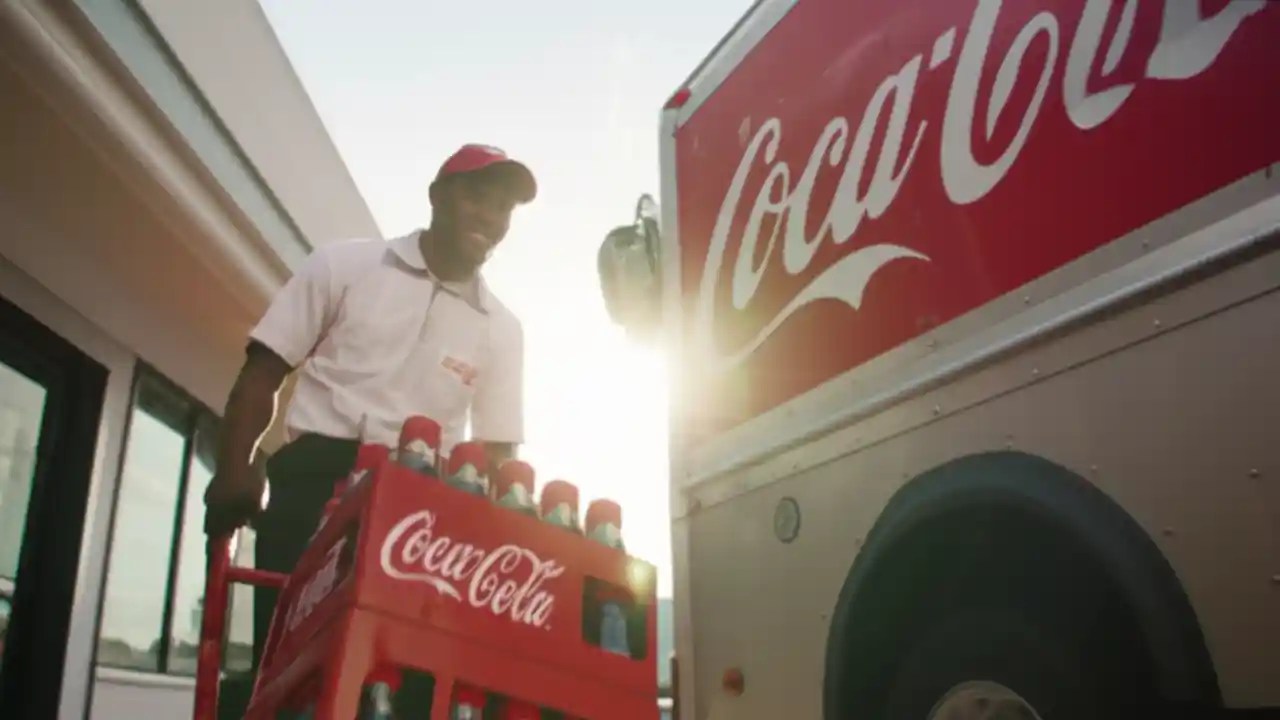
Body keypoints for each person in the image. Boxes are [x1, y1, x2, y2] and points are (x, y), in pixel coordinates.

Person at [202, 143, 536, 672]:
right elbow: (264, 371)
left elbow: (498, 456)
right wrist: (235, 469)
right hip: (314, 482)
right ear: (437, 197)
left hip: (419, 516)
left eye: (504, 208)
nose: (492, 218)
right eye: (479, 197)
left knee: (389, 680)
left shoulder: (502, 328)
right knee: (286, 668)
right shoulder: (346, 265)